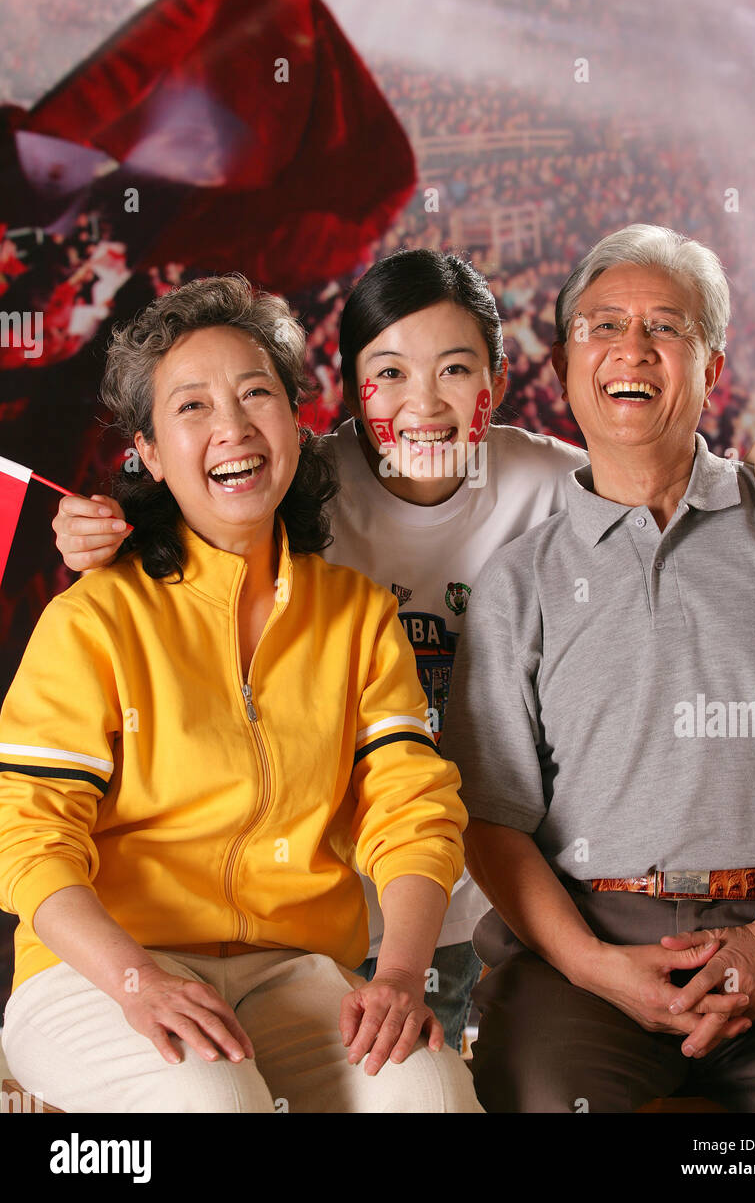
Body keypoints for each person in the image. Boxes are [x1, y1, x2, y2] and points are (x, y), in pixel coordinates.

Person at [48, 249, 755, 1053]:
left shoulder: (547, 477)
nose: (422, 404)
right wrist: (101, 525)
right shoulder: (294, 474)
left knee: (435, 1076)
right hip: (311, 882)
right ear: (347, 388)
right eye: (388, 373)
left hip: (465, 881)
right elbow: (193, 493)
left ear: (494, 383)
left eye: (454, 370)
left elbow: (666, 466)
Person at [0, 275, 482, 1113]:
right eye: (191, 406)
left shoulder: (359, 614)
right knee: (213, 1096)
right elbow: (28, 839)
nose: (232, 426)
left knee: (431, 1091)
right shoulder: (95, 618)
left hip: (291, 971)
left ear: (296, 421)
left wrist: (400, 975)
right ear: (148, 453)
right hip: (100, 972)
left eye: (256, 392)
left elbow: (412, 811)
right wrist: (137, 980)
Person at [442, 224, 755, 1113]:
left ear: (713, 370)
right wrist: (595, 966)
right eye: (603, 327)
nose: (631, 349)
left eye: (665, 328)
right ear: (564, 364)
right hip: (586, 948)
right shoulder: (518, 582)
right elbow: (492, 819)